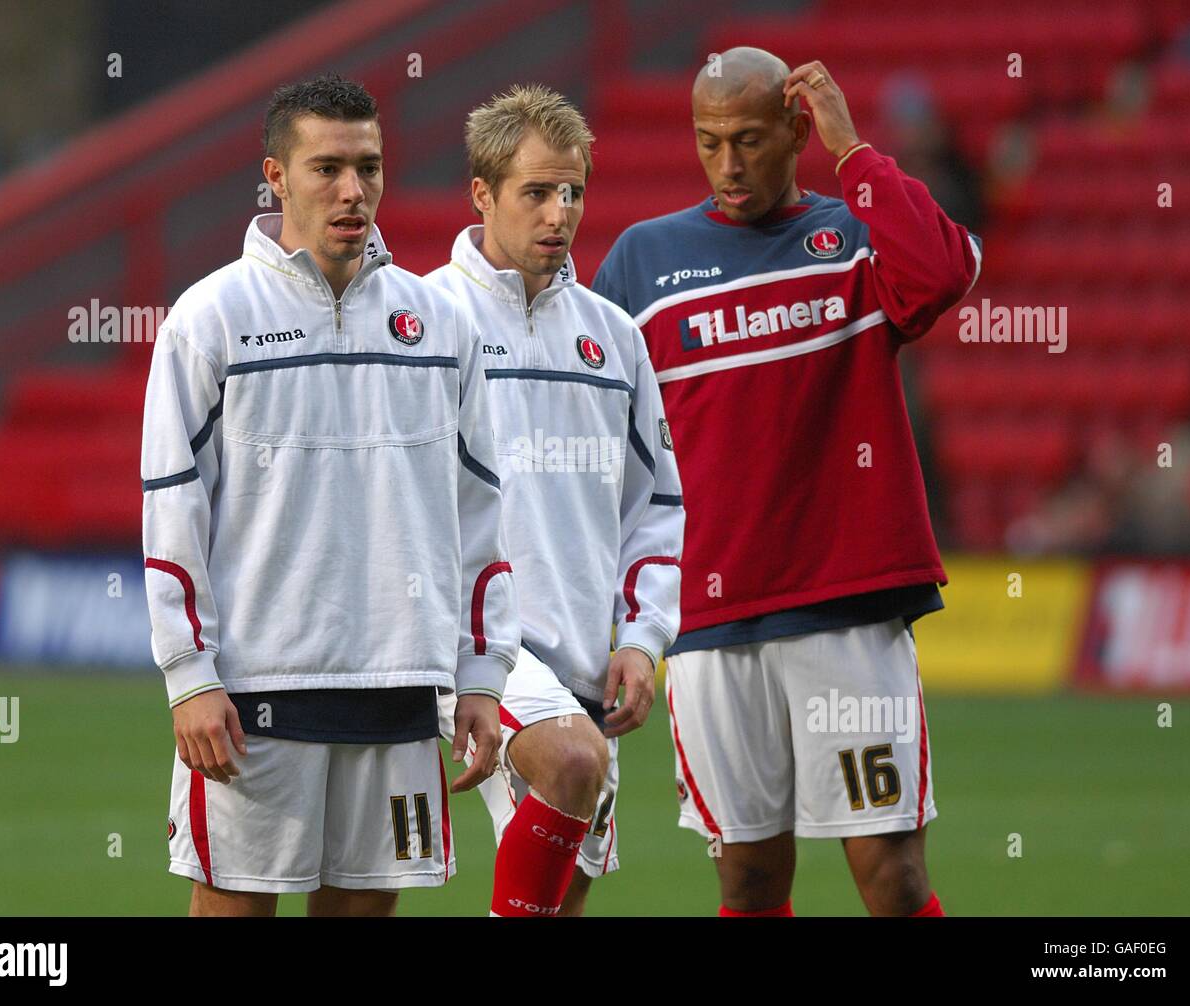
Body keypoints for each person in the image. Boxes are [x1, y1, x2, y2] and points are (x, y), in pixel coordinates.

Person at [592, 48, 982, 917]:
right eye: (709, 143)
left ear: (798, 130)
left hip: (846, 607)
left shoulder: (853, 241)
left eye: (751, 140)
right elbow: (595, 431)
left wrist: (856, 154)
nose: (729, 165)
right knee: (750, 879)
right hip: (707, 621)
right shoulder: (640, 263)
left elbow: (946, 273)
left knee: (892, 875)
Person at [141, 73, 517, 917]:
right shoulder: (211, 318)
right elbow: (173, 505)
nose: (354, 190)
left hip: (399, 686)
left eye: (370, 167)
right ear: (274, 176)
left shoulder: (440, 325)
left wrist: (481, 675)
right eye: (327, 168)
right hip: (255, 693)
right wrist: (189, 675)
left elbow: (481, 513)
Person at [429, 84, 684, 917]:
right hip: (471, 645)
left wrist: (643, 639)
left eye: (572, 191)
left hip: (581, 657)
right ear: (482, 193)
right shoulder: (426, 317)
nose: (559, 212)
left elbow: (655, 504)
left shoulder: (614, 336)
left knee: (561, 903)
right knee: (573, 763)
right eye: (535, 191)